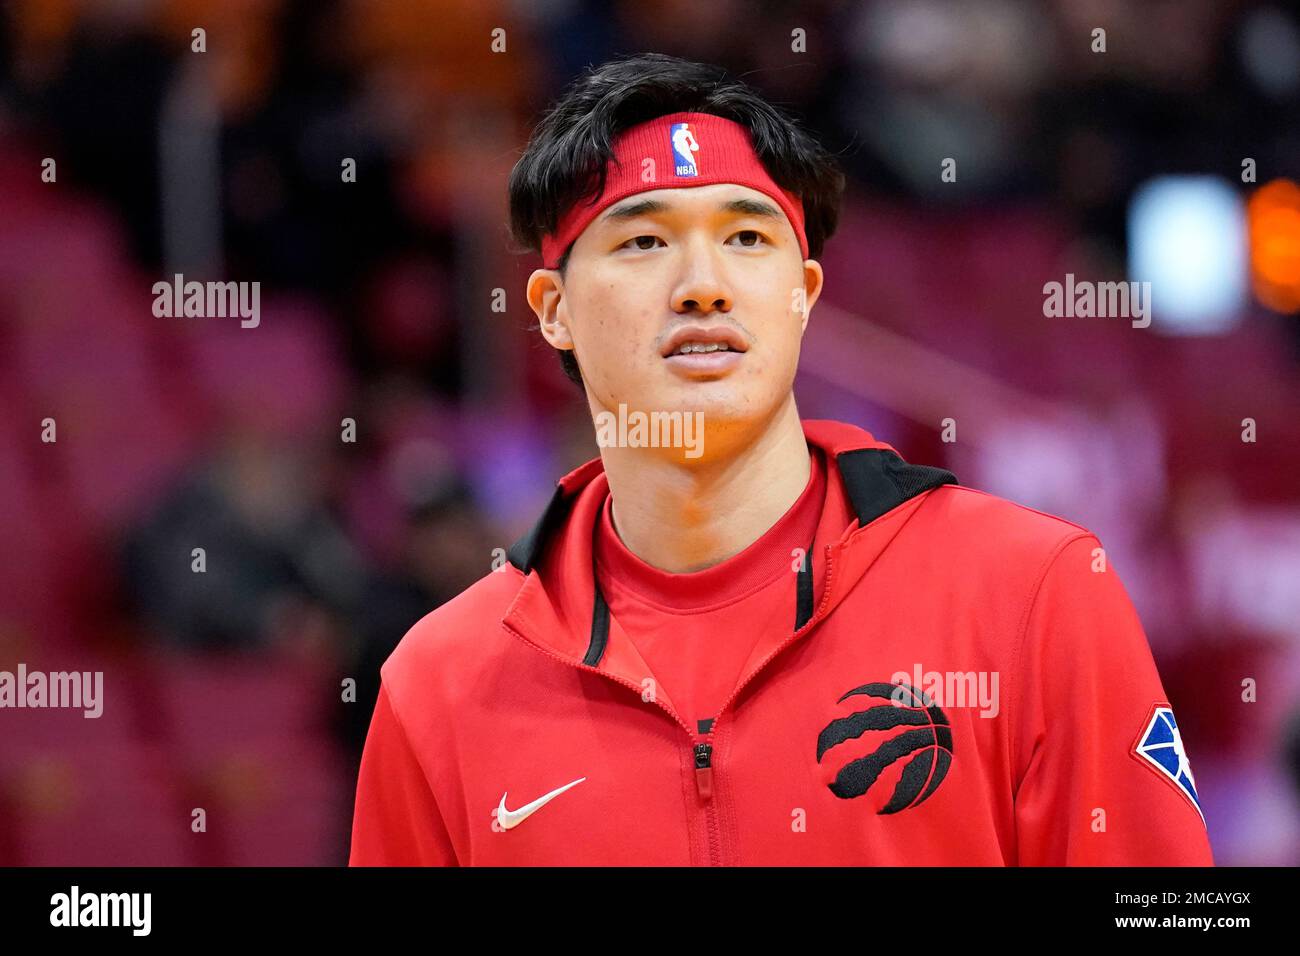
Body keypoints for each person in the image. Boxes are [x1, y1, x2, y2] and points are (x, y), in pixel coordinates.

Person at [349, 53, 1213, 866]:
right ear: (553, 311)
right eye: (643, 242)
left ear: (802, 298)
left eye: (748, 239)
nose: (703, 283)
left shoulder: (1030, 594)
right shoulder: (439, 683)